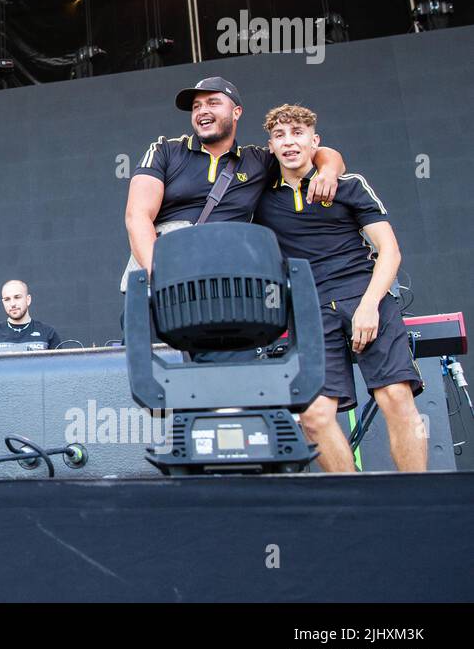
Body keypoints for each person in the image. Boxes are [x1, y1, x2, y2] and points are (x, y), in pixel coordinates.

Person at [255, 104, 426, 472]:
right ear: (270, 146)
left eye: (298, 133)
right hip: (310, 307)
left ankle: (417, 503)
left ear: (314, 141)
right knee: (315, 416)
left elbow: (390, 251)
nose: (289, 142)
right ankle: (356, 507)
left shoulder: (349, 185)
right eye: (280, 135)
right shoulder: (260, 197)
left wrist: (368, 306)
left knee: (395, 397)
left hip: (365, 295)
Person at [124, 77, 347, 286]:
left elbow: (316, 152)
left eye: (213, 103)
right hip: (165, 273)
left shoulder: (256, 161)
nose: (203, 111)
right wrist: (161, 275)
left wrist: (327, 171)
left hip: (226, 281)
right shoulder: (165, 150)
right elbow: (137, 216)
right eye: (196, 106)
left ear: (236, 112)